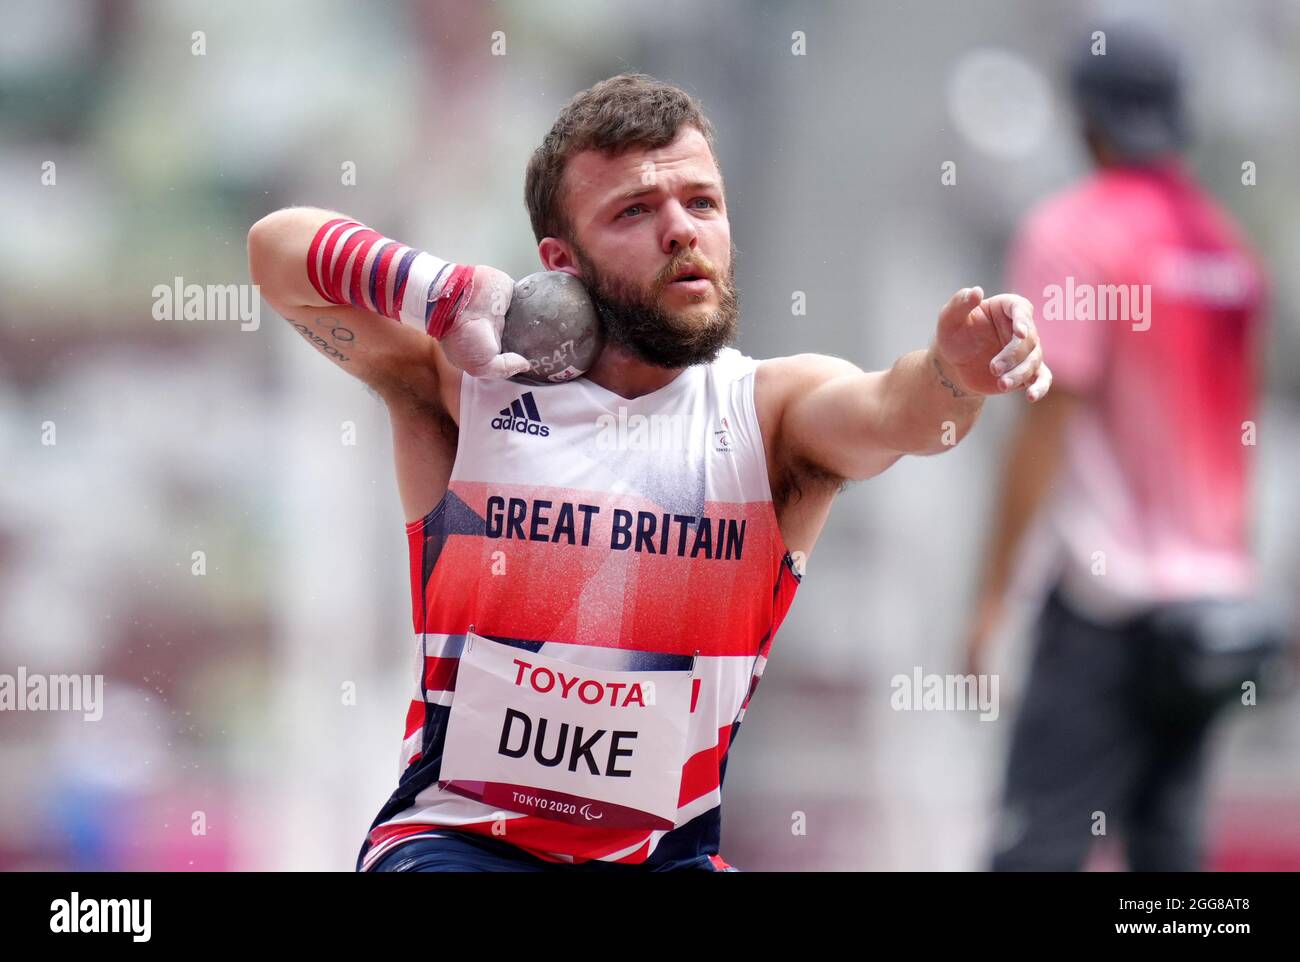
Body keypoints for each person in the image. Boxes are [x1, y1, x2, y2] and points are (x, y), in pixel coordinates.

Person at [248, 72, 1051, 872]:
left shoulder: (772, 416)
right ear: (561, 262)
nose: (682, 232)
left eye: (702, 204)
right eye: (635, 211)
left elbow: (902, 413)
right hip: (459, 844)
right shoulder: (470, 386)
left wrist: (957, 371)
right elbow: (278, 252)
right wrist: (442, 293)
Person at [966, 24, 1269, 871]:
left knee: (1037, 848)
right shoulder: (1227, 254)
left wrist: (991, 599)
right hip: (1208, 615)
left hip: (1105, 605)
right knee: (1170, 859)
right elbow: (1234, 441)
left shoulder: (1074, 234)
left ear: (1085, 118)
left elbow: (1047, 420)